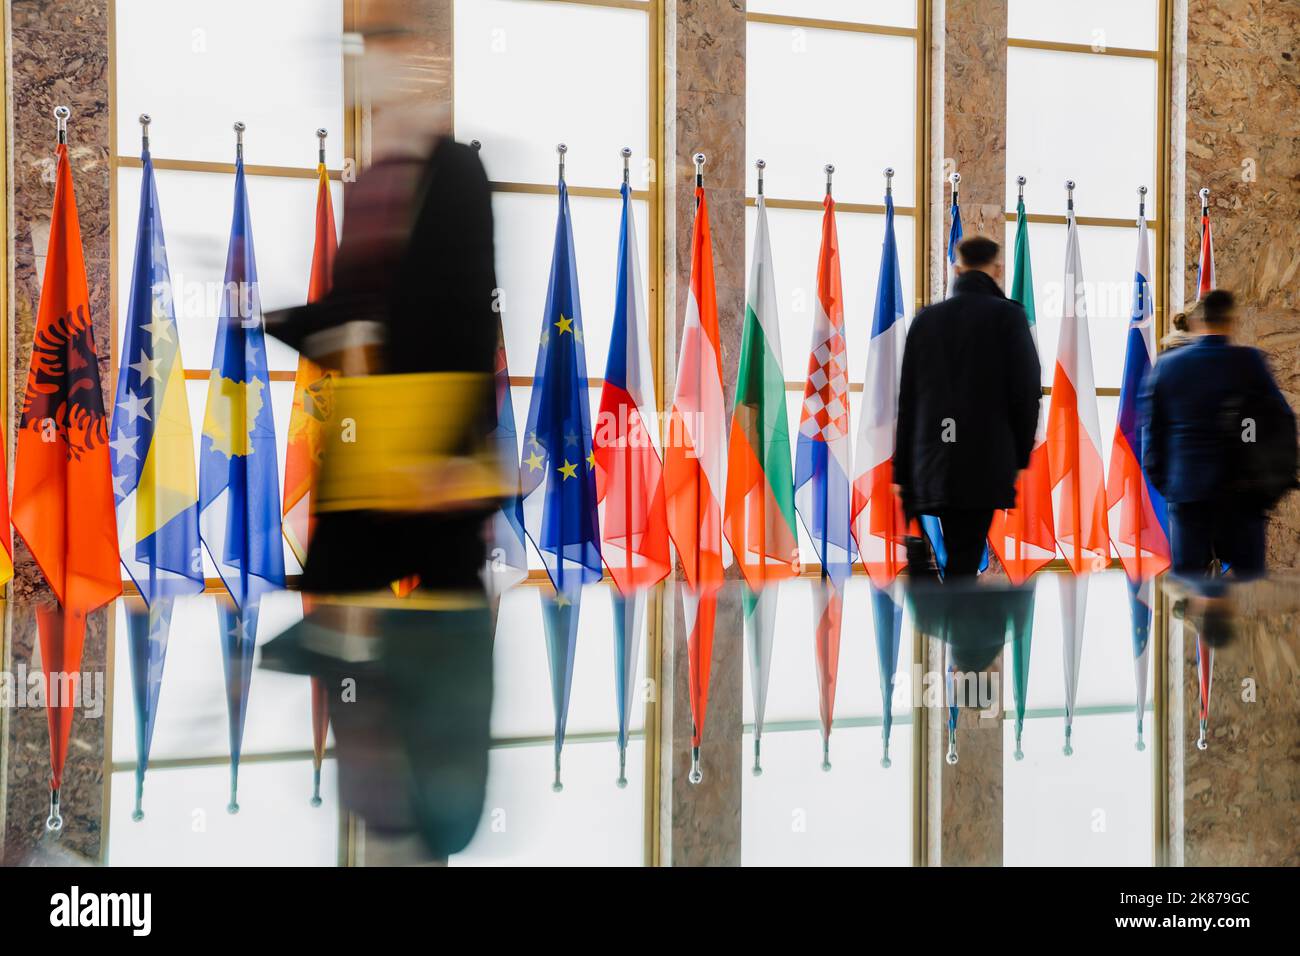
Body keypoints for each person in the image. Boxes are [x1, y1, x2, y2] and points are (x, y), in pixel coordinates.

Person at [895, 235, 1042, 577]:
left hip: (933, 458)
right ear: (997, 269)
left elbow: (909, 400)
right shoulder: (1008, 317)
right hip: (985, 459)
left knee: (957, 552)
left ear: (957, 268)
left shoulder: (927, 320)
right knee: (967, 550)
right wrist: (1019, 456)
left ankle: (952, 614)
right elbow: (1026, 392)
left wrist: (904, 469)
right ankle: (959, 620)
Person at [1142, 289, 1296, 579]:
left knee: (1190, 590)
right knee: (1248, 591)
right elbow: (1280, 422)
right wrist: (1270, 488)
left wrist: (1170, 485)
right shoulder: (1249, 363)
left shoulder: (1168, 366)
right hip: (1242, 499)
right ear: (1231, 321)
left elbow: (1152, 438)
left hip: (1188, 498)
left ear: (1199, 321)